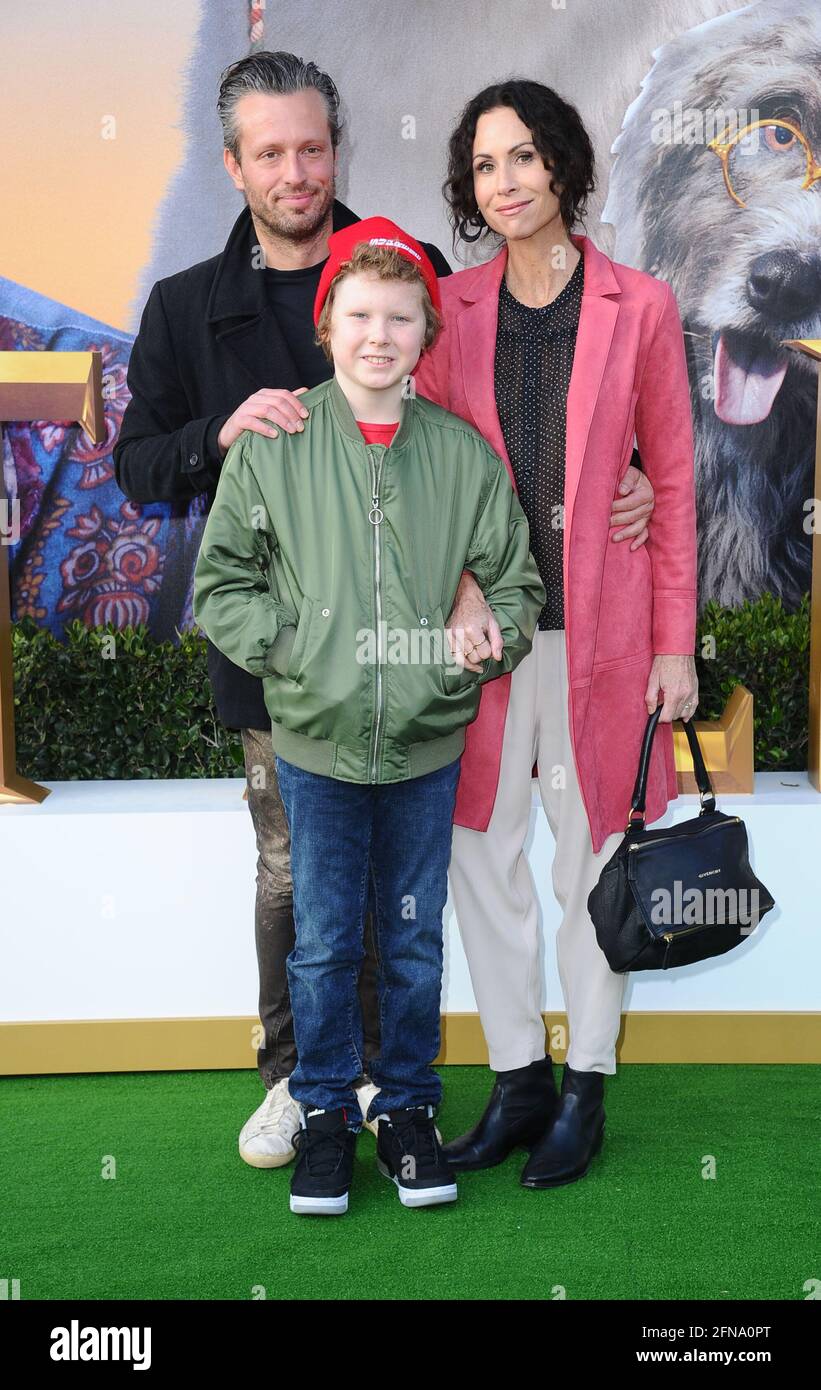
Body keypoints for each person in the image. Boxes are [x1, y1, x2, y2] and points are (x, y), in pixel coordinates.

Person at [112, 52, 453, 1168]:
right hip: (272, 642)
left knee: (393, 873)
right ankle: (294, 1080)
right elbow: (137, 466)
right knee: (294, 869)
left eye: (311, 147)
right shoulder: (181, 309)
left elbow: (472, 438)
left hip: (402, 638)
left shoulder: (410, 268)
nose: (295, 171)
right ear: (233, 165)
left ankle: (387, 1082)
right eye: (270, 153)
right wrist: (217, 434)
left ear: (335, 147)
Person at [192, 217, 545, 1214]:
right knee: (323, 941)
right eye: (358, 314)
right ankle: (320, 1116)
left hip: (425, 747)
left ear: (424, 334)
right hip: (315, 745)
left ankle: (404, 1112)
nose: (378, 334)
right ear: (327, 326)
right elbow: (222, 581)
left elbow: (513, 585)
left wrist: (477, 645)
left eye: (398, 317)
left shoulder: (461, 456)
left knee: (411, 941)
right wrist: (294, 648)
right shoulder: (279, 445)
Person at [411, 79, 699, 1188]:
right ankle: (517, 1079)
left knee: (593, 859)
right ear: (469, 189)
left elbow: (669, 485)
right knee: (480, 856)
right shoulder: (451, 307)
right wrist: (450, 594)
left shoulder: (644, 306)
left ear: (564, 167)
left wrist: (673, 644)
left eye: (523, 157)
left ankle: (586, 1086)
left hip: (606, 637)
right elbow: (423, 463)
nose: (506, 181)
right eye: (485, 166)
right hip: (488, 640)